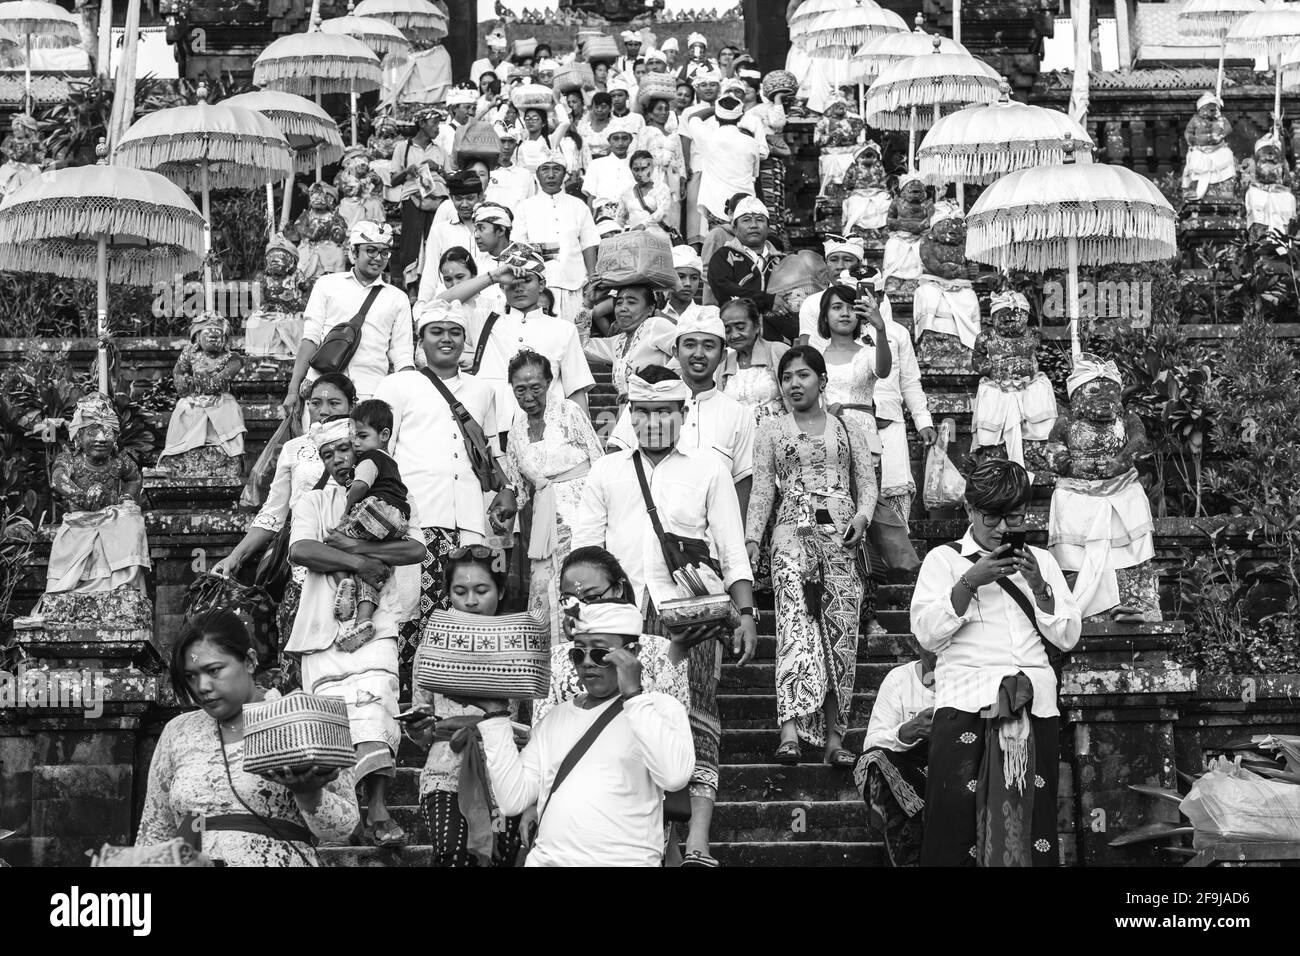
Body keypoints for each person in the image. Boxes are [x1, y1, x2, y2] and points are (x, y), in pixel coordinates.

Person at [574, 365, 758, 867]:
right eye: (645, 411)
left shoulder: (709, 470)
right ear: (631, 415)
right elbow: (583, 553)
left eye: (665, 411)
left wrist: (746, 613)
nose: (654, 420)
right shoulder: (605, 472)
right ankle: (658, 837)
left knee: (696, 717)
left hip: (691, 613)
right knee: (631, 720)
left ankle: (695, 839)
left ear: (683, 413)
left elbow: (732, 549)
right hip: (621, 616)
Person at [911, 458, 1081, 867]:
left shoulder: (1041, 561)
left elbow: (1068, 635)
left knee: (1031, 828)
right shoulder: (943, 560)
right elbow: (926, 633)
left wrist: (1039, 586)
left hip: (1033, 703)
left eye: (1015, 516)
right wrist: (971, 581)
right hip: (966, 702)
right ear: (970, 511)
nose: (1004, 528)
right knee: (955, 830)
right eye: (992, 517)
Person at [472, 596, 694, 867]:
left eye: (600, 654)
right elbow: (512, 800)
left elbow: (674, 777)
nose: (587, 662)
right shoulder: (555, 719)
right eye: (579, 653)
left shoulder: (659, 709)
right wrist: (495, 717)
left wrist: (634, 697)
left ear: (632, 653)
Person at [286, 418, 425, 847]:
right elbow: (301, 549)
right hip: (320, 628)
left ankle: (379, 811)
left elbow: (414, 549)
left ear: (360, 451)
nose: (337, 460)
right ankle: (342, 817)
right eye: (328, 455)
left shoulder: (390, 497)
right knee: (332, 721)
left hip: (375, 625)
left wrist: (354, 551)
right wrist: (359, 563)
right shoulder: (311, 501)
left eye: (343, 450)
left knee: (377, 707)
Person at [138, 611, 359, 866]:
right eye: (191, 676)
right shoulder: (177, 732)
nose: (202, 686)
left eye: (214, 670)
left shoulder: (303, 718)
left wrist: (310, 795)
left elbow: (345, 828)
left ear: (250, 661)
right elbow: (154, 832)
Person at [746, 346, 877, 768]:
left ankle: (836, 739)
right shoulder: (769, 428)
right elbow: (764, 487)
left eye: (803, 375)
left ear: (822, 380)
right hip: (789, 533)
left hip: (843, 534)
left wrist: (862, 516)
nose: (794, 384)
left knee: (840, 628)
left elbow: (868, 484)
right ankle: (789, 732)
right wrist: (751, 541)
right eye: (786, 377)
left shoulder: (849, 426)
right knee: (795, 626)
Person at [373, 300, 511, 677]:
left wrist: (506, 488)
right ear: (421, 340)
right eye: (437, 332)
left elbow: (491, 455)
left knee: (463, 612)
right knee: (406, 608)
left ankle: (456, 689)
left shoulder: (482, 391)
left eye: (455, 332)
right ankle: (404, 696)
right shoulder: (398, 384)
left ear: (465, 339)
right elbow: (380, 452)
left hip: (467, 518)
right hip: (416, 517)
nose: (446, 339)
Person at [402, 548, 526, 866]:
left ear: (499, 591)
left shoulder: (520, 642)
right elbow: (423, 715)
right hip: (445, 770)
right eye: (460, 591)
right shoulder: (435, 641)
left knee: (499, 861)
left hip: (505, 774)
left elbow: (534, 720)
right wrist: (419, 728)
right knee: (452, 856)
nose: (470, 600)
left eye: (481, 590)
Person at [215, 375, 356, 639]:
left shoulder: (363, 446)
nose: (323, 410)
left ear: (352, 405)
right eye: (315, 403)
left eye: (334, 403)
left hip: (352, 566)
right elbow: (273, 514)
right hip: (302, 567)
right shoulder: (294, 449)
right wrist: (235, 557)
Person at [607, 308, 756, 516]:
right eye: (689, 344)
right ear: (676, 352)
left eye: (709, 346)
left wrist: (738, 538)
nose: (698, 354)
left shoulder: (737, 414)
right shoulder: (650, 397)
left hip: (711, 538)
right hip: (646, 527)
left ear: (723, 356)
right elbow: (616, 456)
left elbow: (742, 481)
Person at [500, 351, 605, 641]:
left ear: (549, 382)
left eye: (536, 387)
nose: (529, 396)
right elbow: (518, 490)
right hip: (544, 523)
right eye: (520, 389)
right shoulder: (516, 429)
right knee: (545, 588)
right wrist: (505, 512)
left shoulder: (569, 411)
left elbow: (600, 461)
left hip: (582, 515)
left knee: (580, 585)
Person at [438, 244, 595, 426]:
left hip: (551, 432)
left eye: (527, 280)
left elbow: (576, 390)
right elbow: (440, 304)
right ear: (502, 287)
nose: (519, 288)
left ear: (542, 284)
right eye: (512, 282)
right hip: (494, 432)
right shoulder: (485, 319)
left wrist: (584, 438)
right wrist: (494, 276)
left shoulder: (563, 329)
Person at [536, 547, 690, 723]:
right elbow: (542, 731)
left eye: (592, 597)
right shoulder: (553, 659)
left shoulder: (658, 650)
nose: (582, 608)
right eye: (570, 600)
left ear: (617, 589)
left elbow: (674, 727)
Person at [283, 221, 414, 414]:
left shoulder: (398, 298)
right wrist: (293, 390)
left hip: (370, 393)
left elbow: (402, 355)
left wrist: (409, 397)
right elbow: (310, 339)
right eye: (371, 250)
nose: (378, 258)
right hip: (323, 391)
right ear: (353, 252)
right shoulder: (326, 285)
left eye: (384, 252)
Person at [326, 400, 411, 651]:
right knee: (371, 569)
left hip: (376, 511)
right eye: (354, 438)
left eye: (362, 436)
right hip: (396, 522)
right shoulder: (392, 464)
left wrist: (346, 507)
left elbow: (361, 484)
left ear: (384, 435)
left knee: (333, 544)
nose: (356, 444)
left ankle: (346, 586)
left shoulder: (370, 458)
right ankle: (363, 620)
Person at [853, 644, 937, 867]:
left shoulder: (973, 680)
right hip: (909, 773)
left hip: (956, 771)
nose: (939, 649)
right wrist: (908, 731)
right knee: (873, 761)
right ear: (917, 641)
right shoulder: (899, 679)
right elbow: (871, 743)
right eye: (931, 642)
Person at [512, 149, 601, 326]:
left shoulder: (578, 205)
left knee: (576, 335)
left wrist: (592, 279)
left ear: (564, 174)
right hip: (539, 287)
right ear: (537, 174)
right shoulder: (525, 207)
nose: (551, 175)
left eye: (557, 169)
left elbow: (588, 243)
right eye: (545, 169)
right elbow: (518, 246)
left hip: (574, 285)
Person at [706, 196, 788, 340]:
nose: (754, 225)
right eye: (746, 220)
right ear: (734, 227)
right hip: (735, 340)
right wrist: (767, 301)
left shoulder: (781, 261)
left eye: (760, 220)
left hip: (776, 342)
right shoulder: (724, 256)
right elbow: (724, 289)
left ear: (768, 227)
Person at [690, 94, 764, 247]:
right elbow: (754, 175)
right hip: (745, 205)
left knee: (719, 250)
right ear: (740, 117)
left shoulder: (707, 137)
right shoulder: (752, 143)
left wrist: (717, 108)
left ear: (717, 116)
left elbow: (693, 117)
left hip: (716, 205)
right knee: (746, 251)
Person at [581, 283, 677, 402]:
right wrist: (588, 304)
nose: (623, 308)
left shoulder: (655, 326)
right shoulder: (618, 342)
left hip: (659, 411)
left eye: (631, 302)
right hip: (628, 415)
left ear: (650, 309)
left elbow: (685, 353)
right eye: (619, 303)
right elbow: (582, 346)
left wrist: (656, 387)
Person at [387, 108, 449, 287]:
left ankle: (434, 283)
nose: (438, 128)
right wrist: (407, 171)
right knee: (411, 241)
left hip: (438, 201)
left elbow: (451, 178)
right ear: (422, 124)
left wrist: (437, 168)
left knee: (435, 239)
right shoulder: (402, 148)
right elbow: (393, 180)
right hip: (412, 198)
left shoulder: (440, 151)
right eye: (434, 123)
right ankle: (412, 284)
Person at [414, 170, 487, 305]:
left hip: (486, 304)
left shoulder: (491, 229)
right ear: (451, 198)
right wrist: (422, 304)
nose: (464, 204)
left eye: (470, 198)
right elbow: (430, 272)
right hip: (448, 305)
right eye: (458, 199)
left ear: (481, 196)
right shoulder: (440, 231)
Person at [718, 297, 788, 425]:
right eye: (727, 330)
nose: (734, 335)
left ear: (757, 325)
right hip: (738, 441)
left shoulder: (778, 351)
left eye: (740, 327)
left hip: (778, 438)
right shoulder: (723, 361)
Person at [484, 124, 537, 210]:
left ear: (515, 145)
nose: (506, 147)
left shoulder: (525, 175)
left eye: (511, 142)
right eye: (502, 141)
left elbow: (530, 204)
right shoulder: (484, 172)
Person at [619, 148, 674, 228]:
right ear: (631, 170)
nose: (640, 174)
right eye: (636, 169)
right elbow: (620, 218)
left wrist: (644, 225)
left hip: (656, 234)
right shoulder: (627, 192)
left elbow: (662, 212)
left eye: (644, 169)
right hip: (634, 235)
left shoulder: (661, 188)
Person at [582, 126, 636, 206]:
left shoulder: (636, 164)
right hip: (603, 213)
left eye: (624, 138)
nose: (620, 143)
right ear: (609, 140)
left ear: (630, 140)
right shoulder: (596, 164)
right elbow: (591, 196)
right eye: (616, 139)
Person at [662, 245, 703, 323]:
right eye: (681, 277)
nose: (688, 283)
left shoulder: (707, 316)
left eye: (694, 278)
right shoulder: (655, 318)